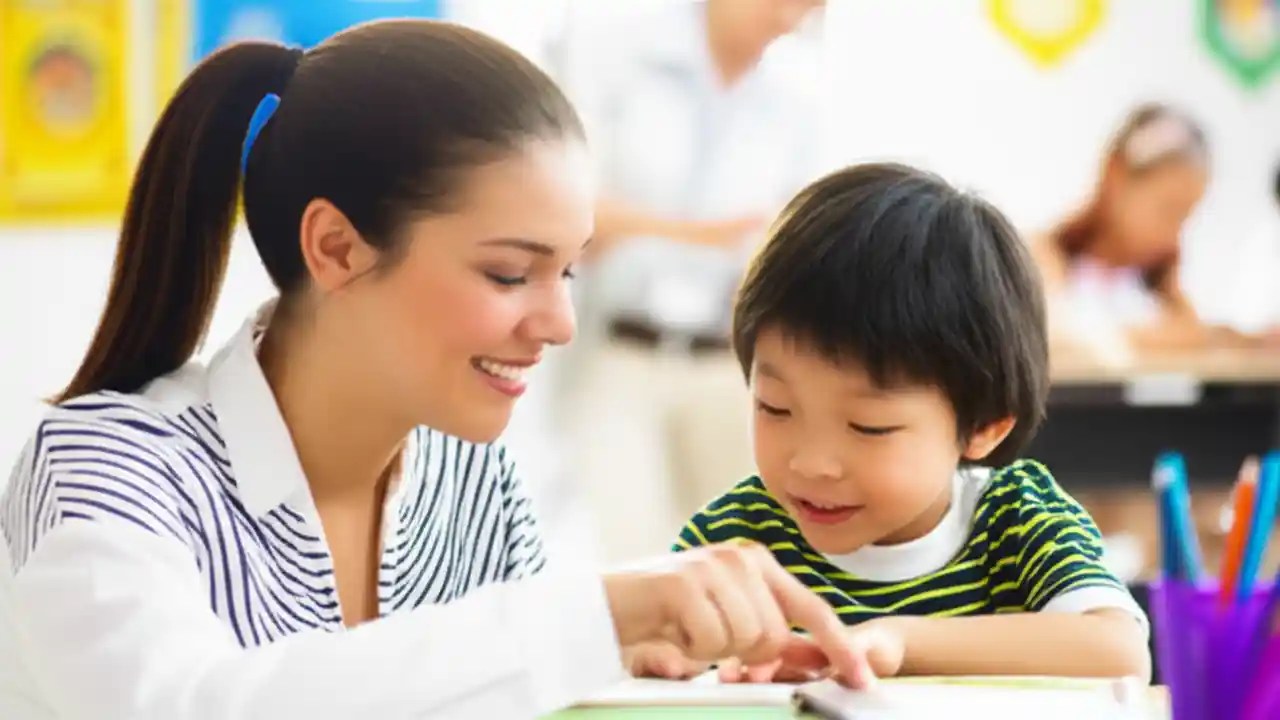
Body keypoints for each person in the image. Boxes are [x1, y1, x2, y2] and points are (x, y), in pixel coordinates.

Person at [0, 21, 874, 719]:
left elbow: (492, 667)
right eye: (507, 273)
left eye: (567, 271)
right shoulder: (108, 468)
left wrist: (621, 660)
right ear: (336, 248)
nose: (561, 322)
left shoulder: (468, 478)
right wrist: (595, 619)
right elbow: (184, 706)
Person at [624, 164, 1152, 683]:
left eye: (868, 427)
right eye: (774, 407)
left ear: (983, 426)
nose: (811, 462)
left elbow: (1117, 649)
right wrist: (656, 654)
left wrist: (898, 640)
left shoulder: (1016, 519)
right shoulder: (739, 539)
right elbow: (653, 641)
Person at [547, 0, 828, 565]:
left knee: (743, 565)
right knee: (632, 559)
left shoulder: (799, 94)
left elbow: (794, 231)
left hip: (731, 367)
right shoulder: (607, 51)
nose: (795, 14)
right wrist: (702, 235)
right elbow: (559, 210)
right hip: (619, 354)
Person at [1031, 104, 1216, 354]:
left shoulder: (1163, 296)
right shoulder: (1045, 262)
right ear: (1115, 174)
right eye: (1167, 210)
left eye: (1184, 218)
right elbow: (1054, 338)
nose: (1172, 234)